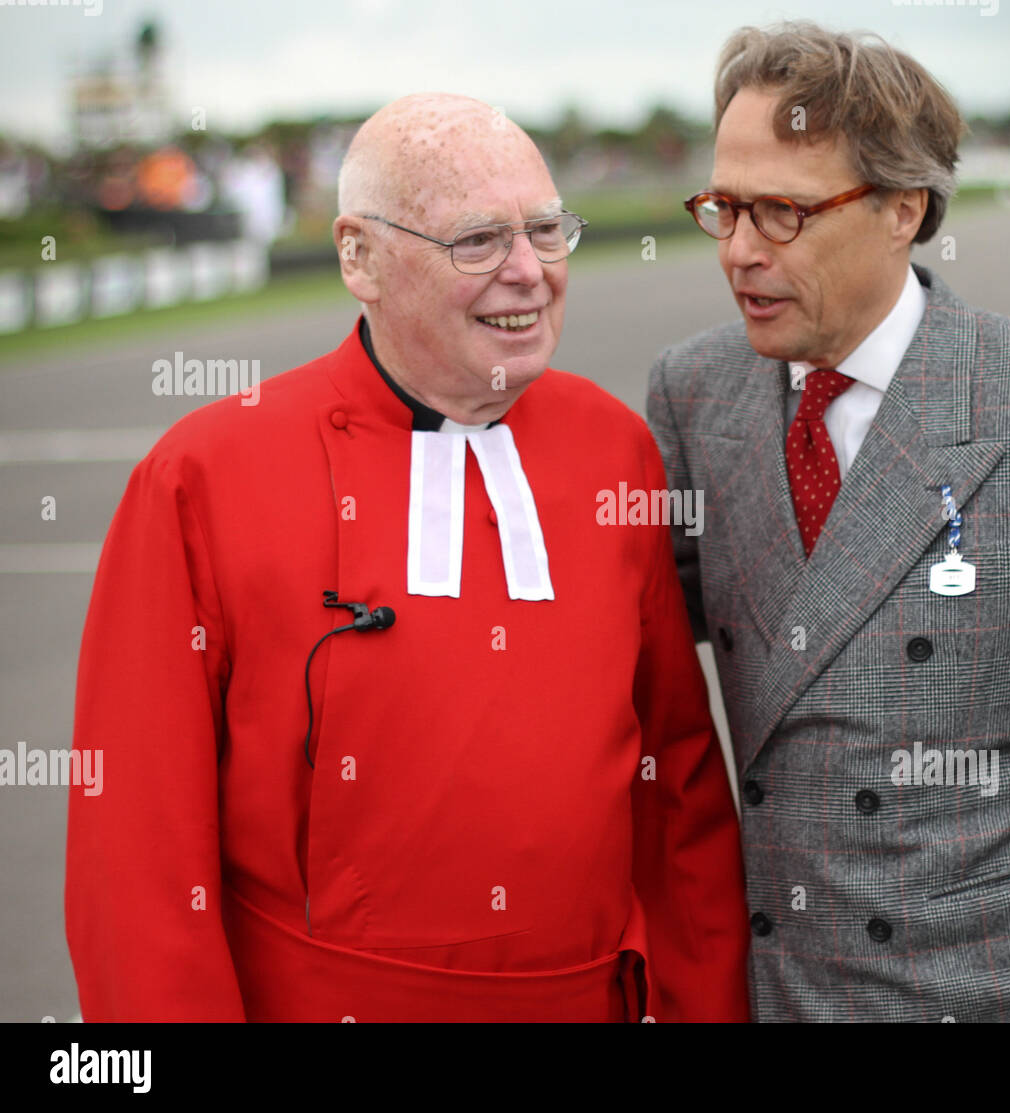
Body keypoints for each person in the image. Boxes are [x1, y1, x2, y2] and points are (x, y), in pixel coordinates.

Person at [66, 93, 750, 1023]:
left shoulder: (614, 449)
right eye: (477, 241)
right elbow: (136, 856)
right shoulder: (201, 477)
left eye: (547, 232)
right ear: (359, 257)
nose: (529, 273)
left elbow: (676, 784)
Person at [647, 22, 1010, 1022]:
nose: (740, 252)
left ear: (901, 208)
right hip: (789, 993)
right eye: (723, 208)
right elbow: (620, 647)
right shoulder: (695, 392)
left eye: (783, 213)